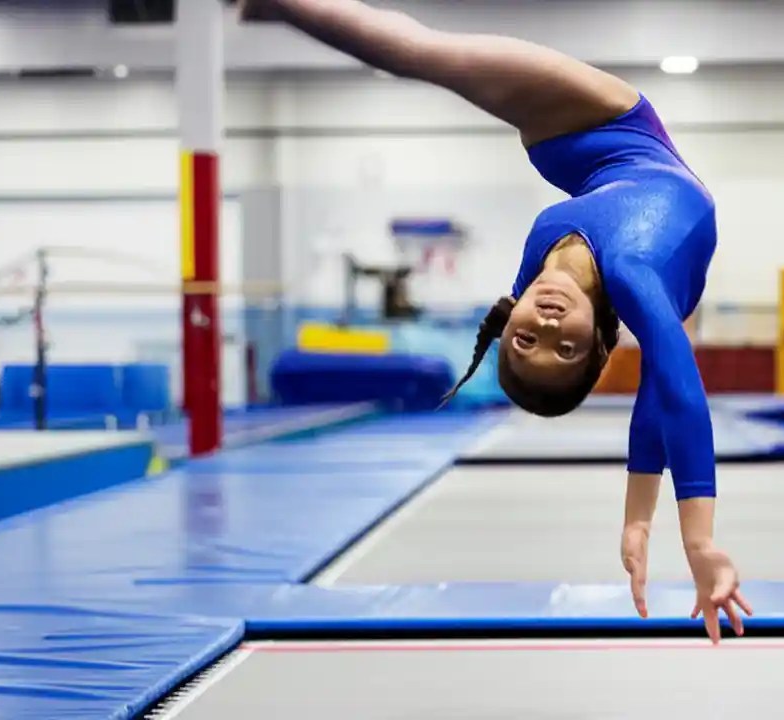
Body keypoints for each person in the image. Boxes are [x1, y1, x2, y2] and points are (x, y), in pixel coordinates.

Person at [241, 0, 751, 643]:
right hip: (615, 128)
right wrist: (698, 540)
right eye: (564, 348)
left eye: (525, 339)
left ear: (508, 319)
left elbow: (654, 388)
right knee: (419, 56)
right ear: (598, 341)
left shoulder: (532, 278)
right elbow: (671, 392)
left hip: (579, 163)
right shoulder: (631, 274)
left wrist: (638, 521)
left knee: (423, 58)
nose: (546, 322)